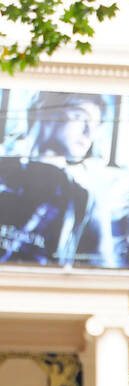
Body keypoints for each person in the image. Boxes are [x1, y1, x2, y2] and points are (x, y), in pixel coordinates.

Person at [0, 92, 108, 266]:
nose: (88, 132)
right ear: (45, 110)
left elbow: (103, 271)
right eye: (80, 117)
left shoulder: (84, 201)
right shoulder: (4, 170)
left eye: (95, 126)